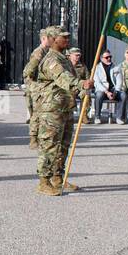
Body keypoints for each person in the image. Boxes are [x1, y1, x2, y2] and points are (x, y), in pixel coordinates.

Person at [34, 27, 91, 195]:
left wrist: (83, 91)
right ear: (53, 39)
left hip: (65, 107)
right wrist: (81, 84)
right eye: (63, 38)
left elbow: (73, 79)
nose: (67, 40)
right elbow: (63, 78)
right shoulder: (52, 59)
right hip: (51, 109)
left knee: (64, 145)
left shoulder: (64, 59)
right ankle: (44, 181)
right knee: (50, 145)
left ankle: (58, 178)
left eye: (67, 37)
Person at [91, 50, 124, 124]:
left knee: (123, 95)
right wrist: (106, 92)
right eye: (106, 57)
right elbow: (97, 82)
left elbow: (119, 81)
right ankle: (97, 117)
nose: (109, 58)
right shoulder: (96, 68)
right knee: (99, 95)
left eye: (110, 57)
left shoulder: (116, 67)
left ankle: (119, 117)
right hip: (102, 90)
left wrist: (115, 91)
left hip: (113, 89)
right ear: (101, 58)